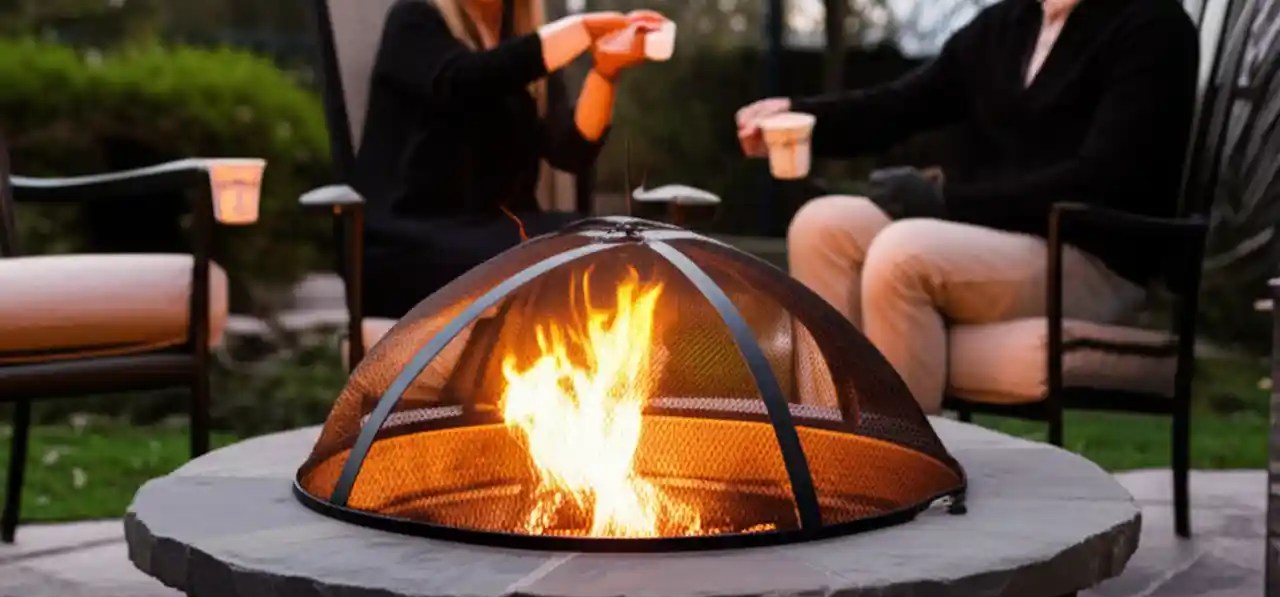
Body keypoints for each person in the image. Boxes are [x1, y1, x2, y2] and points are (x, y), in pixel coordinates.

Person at [734, 0, 1198, 414]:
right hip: (992, 238)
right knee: (822, 226)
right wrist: (801, 117)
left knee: (904, 252)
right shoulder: (1009, 23)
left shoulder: (1152, 26)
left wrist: (945, 202)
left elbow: (1102, 178)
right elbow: (901, 105)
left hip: (1088, 257)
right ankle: (832, 441)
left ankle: (907, 463)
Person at [358, 0, 664, 318]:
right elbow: (466, 81)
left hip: (499, 231)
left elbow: (569, 150)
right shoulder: (413, 20)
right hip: (411, 238)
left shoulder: (523, 42)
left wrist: (605, 72)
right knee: (556, 259)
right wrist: (579, 32)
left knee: (619, 247)